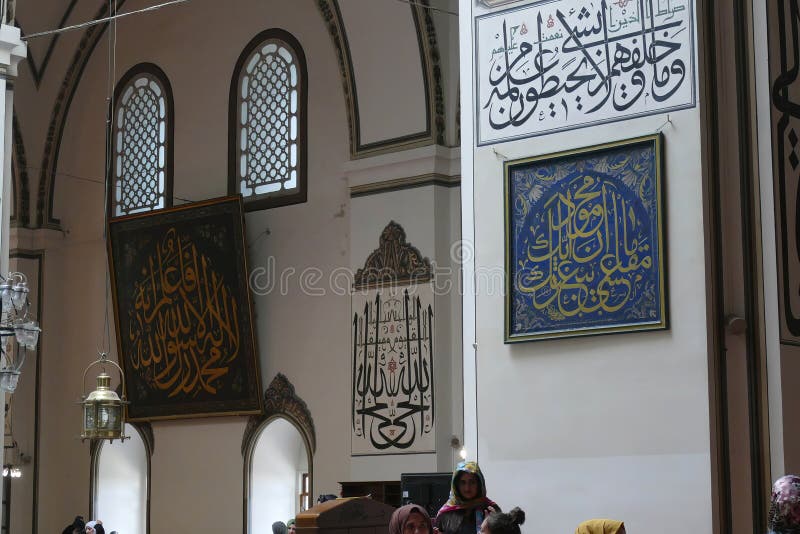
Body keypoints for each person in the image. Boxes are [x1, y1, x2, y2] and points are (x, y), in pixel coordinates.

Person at [436, 461, 499, 534]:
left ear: (479, 484)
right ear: (456, 485)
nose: (467, 488)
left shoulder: (491, 509)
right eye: (463, 482)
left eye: (472, 482)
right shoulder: (446, 512)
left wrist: (495, 525)